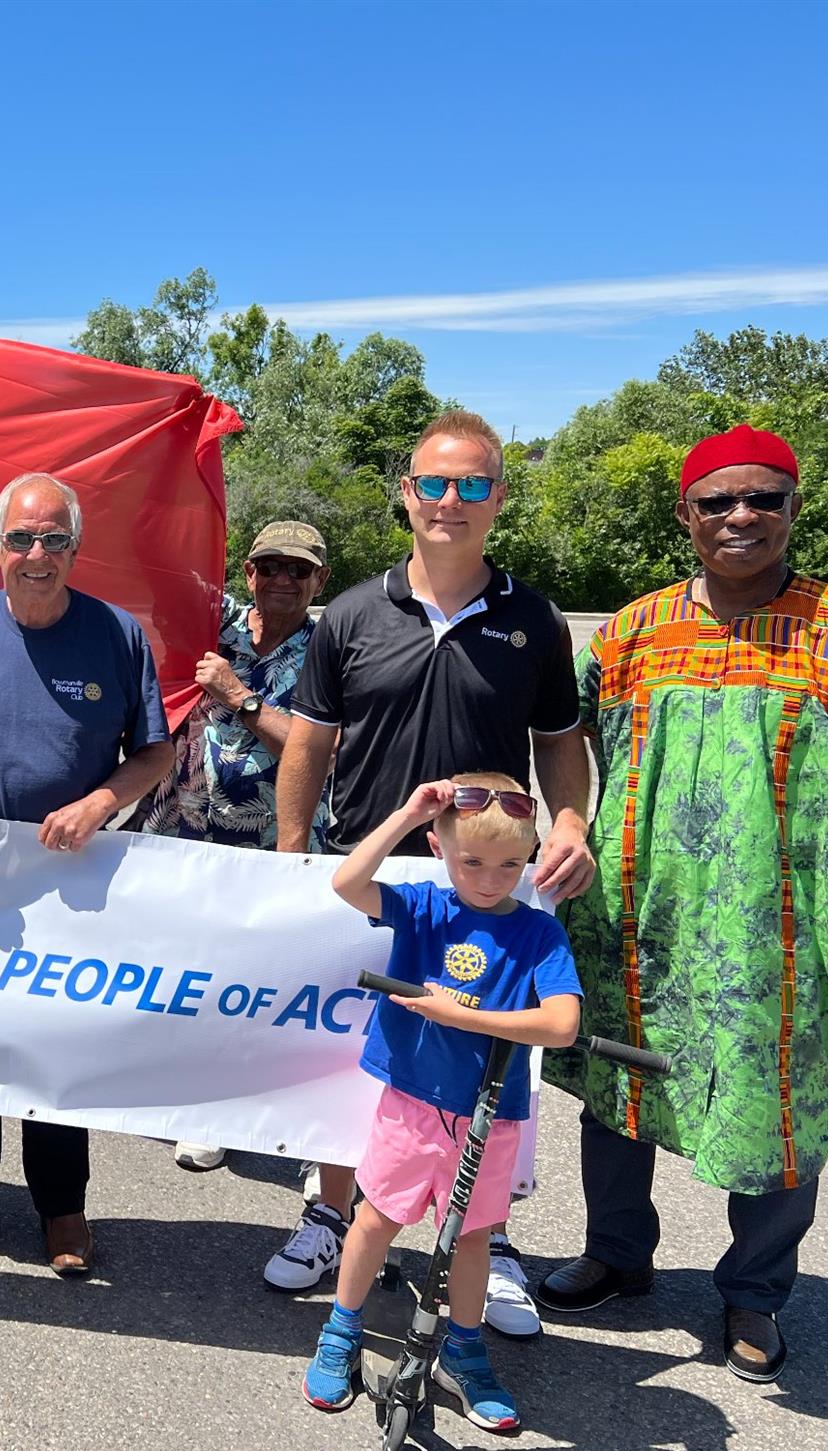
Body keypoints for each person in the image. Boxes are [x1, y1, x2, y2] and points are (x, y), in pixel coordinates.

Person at [537, 424, 828, 1383]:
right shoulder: (627, 632)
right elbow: (585, 747)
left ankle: (755, 1294)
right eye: (718, 501)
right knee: (620, 1084)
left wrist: (789, 850)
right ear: (686, 513)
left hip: (779, 931)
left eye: (765, 498)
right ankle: (618, 1254)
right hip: (641, 918)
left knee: (779, 1105)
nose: (741, 516)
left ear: (795, 508)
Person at [270, 410, 594, 1337]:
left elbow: (560, 743)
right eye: (436, 484)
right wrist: (297, 852)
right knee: (351, 1061)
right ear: (407, 494)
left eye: (475, 485)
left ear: (499, 498)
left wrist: (569, 815)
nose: (452, 502)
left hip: (486, 874)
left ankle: (483, 1243)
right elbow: (310, 743)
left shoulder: (533, 621)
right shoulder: (353, 616)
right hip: (374, 868)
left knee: (490, 1058)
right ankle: (336, 1215)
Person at [0, 472, 174, 1277]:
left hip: (69, 876)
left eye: (53, 539)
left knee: (55, 1038)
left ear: (77, 550)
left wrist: (97, 803)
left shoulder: (116, 635)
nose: (36, 554)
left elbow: (155, 751)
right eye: (21, 538)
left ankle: (62, 1208)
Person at [301, 775, 581, 1430]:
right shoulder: (425, 905)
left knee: (472, 1238)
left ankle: (464, 1348)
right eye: (472, 862)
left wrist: (463, 1016)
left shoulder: (539, 933)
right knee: (376, 1218)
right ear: (438, 848)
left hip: (490, 1113)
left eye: (511, 863)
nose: (491, 878)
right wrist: (403, 812)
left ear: (531, 854)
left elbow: (561, 1024)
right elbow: (347, 883)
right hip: (411, 1102)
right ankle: (342, 1330)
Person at [129, 519, 334, 1172]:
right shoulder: (207, 624)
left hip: (273, 845)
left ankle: (277, 1119)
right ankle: (201, 1103)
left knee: (264, 982)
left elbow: (320, 751)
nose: (282, 579)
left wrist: (238, 696)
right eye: (269, 565)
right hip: (182, 830)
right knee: (190, 975)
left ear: (318, 580)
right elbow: (146, 563)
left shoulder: (330, 650)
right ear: (248, 572)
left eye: (298, 570)